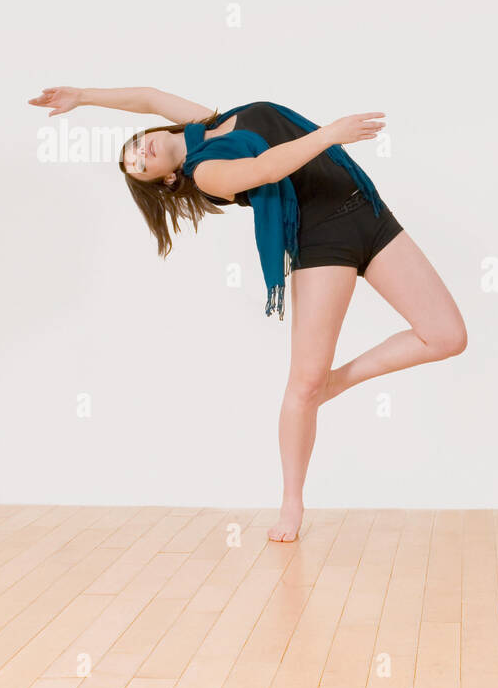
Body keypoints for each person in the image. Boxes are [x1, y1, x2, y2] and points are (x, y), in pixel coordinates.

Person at [28, 86, 467, 541]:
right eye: (138, 166)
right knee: (303, 383)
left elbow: (148, 97)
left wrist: (82, 96)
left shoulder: (212, 123)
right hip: (322, 242)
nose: (141, 153)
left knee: (446, 335)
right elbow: (264, 168)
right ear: (167, 180)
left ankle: (335, 383)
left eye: (135, 147)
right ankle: (292, 502)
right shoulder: (206, 172)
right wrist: (331, 133)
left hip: (368, 214)